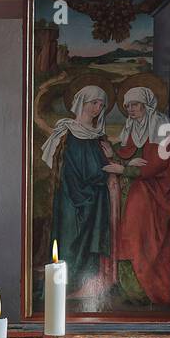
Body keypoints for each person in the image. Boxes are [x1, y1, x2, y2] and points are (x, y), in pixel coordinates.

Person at [41, 85, 121, 301]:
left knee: (91, 247)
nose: (98, 108)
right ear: (81, 103)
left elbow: (105, 162)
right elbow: (68, 167)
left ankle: (86, 288)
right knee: (69, 241)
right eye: (94, 103)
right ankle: (64, 289)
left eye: (101, 105)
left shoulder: (98, 136)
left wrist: (110, 162)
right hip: (71, 196)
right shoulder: (67, 133)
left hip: (96, 201)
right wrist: (98, 175)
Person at [109, 85, 170, 307]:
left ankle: (148, 289)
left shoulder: (162, 127)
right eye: (127, 106)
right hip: (137, 188)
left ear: (146, 105)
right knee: (127, 236)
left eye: (134, 105)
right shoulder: (133, 125)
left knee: (140, 238)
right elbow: (128, 151)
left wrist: (125, 169)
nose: (130, 110)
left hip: (156, 192)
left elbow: (158, 164)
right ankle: (130, 290)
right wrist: (113, 154)